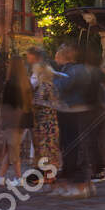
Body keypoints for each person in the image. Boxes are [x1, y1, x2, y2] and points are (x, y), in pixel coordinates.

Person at [53, 43, 95, 198]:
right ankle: (78, 183)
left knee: (75, 148)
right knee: (71, 147)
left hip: (74, 112)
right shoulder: (74, 69)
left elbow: (62, 87)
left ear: (65, 56)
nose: (55, 58)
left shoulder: (74, 70)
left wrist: (50, 77)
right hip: (70, 112)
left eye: (57, 55)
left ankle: (81, 184)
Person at [0, 53, 33, 188]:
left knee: (13, 149)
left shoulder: (10, 84)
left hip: (12, 121)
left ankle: (19, 178)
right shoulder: (27, 83)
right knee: (11, 148)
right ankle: (0, 176)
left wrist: (2, 120)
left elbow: (7, 104)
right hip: (23, 120)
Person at [28, 47, 61, 183]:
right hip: (47, 121)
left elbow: (39, 101)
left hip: (45, 122)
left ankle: (49, 175)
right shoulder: (50, 84)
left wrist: (31, 101)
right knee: (47, 148)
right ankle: (47, 174)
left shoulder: (45, 86)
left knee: (46, 148)